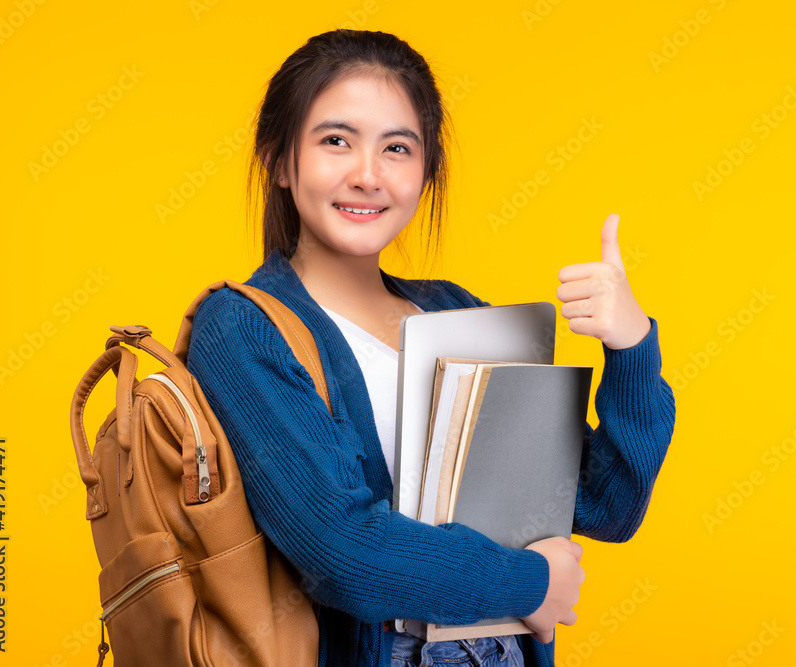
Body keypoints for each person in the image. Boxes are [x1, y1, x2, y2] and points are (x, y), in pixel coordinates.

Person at [185, 29, 676, 667]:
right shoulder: (242, 328)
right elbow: (342, 554)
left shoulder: (456, 310)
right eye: (336, 140)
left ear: (425, 170)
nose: (367, 174)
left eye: (397, 148)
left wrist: (632, 347)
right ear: (281, 160)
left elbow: (604, 506)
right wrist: (530, 581)